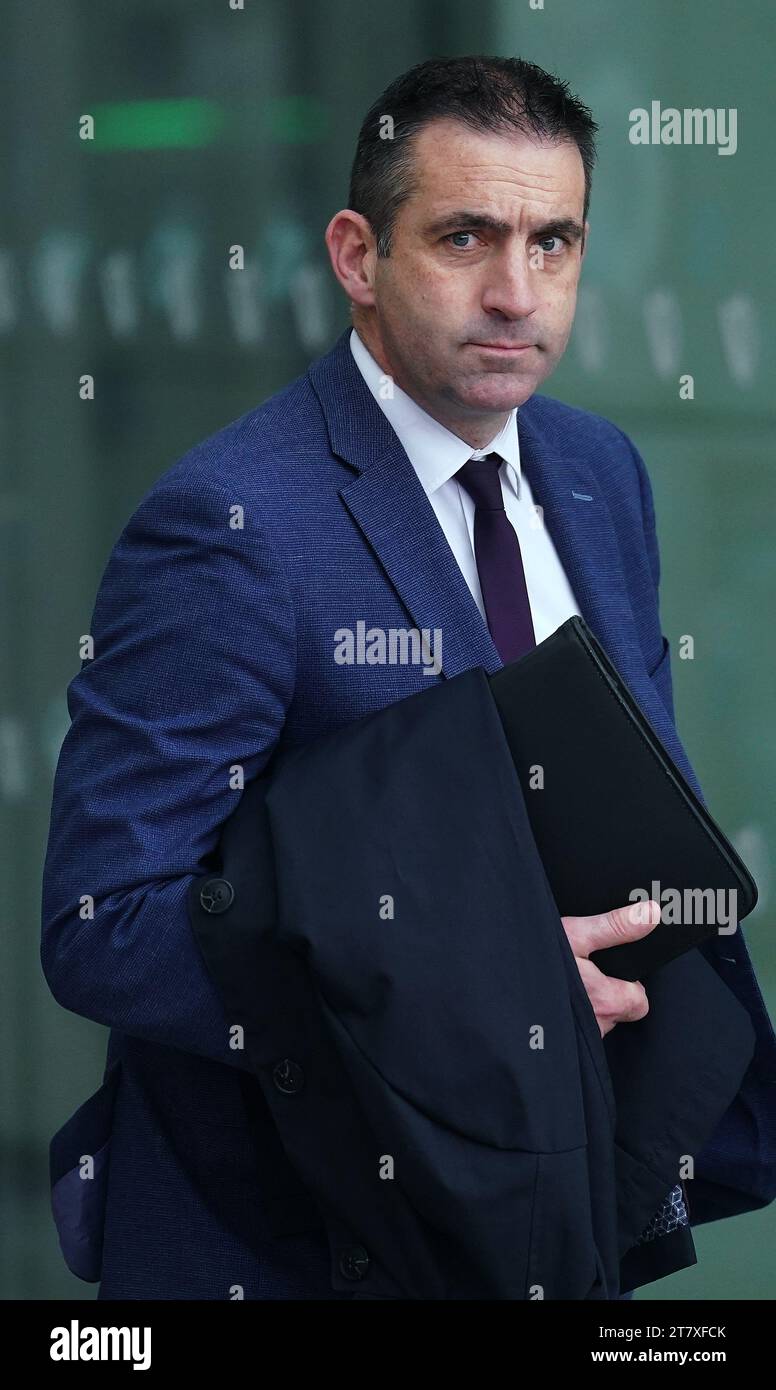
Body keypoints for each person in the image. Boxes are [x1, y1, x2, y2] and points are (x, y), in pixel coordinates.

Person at [41, 55, 775, 1300]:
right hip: (289, 1245)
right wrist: (477, 986)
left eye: (553, 242)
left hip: (538, 1221)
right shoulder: (230, 523)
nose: (513, 292)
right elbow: (101, 927)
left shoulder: (600, 477)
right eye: (464, 237)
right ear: (354, 255)